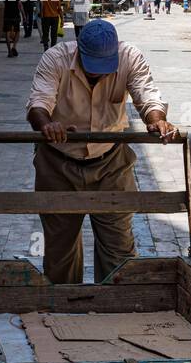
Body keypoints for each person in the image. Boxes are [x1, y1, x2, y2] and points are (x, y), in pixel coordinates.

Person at [26, 19, 177, 284]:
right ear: (78, 52)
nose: (98, 75)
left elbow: (147, 93)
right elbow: (39, 102)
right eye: (91, 67)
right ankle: (64, 313)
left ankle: (113, 311)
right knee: (60, 250)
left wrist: (156, 119)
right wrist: (47, 124)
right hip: (58, 164)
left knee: (118, 248)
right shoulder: (56, 58)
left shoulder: (129, 57)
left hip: (111, 163)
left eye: (104, 68)